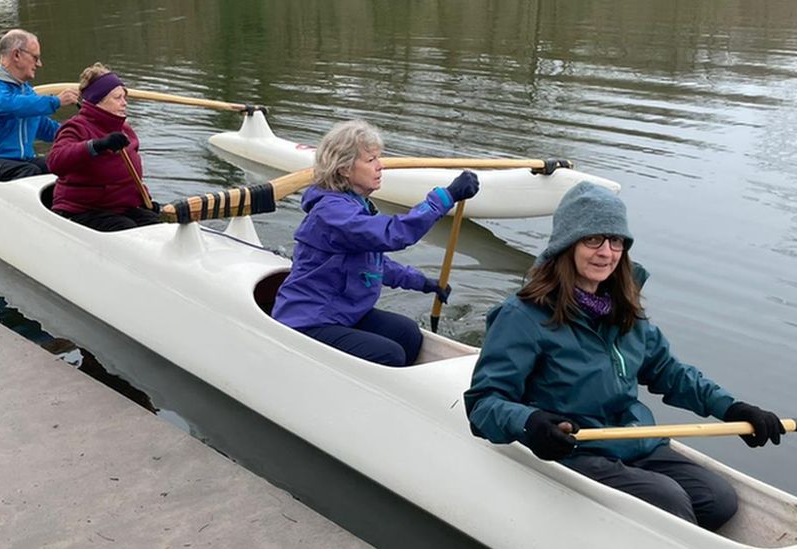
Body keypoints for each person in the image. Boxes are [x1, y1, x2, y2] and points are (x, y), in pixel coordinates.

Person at [464, 181, 786, 530]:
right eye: (593, 239)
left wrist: (733, 408)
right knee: (669, 501)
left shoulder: (625, 311)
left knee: (718, 500)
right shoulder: (523, 316)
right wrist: (530, 422)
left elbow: (670, 372)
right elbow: (483, 403)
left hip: (630, 439)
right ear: (567, 244)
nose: (606, 252)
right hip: (574, 448)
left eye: (616, 241)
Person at [271, 120, 480, 367]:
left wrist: (422, 282)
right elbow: (394, 233)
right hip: (309, 320)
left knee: (408, 333)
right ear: (344, 169)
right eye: (371, 161)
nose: (380, 167)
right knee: (389, 354)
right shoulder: (332, 214)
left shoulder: (354, 205)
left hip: (343, 313)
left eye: (378, 159)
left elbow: (369, 263)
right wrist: (446, 197)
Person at [46, 63, 160, 231]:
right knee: (125, 228)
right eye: (118, 98)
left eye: (125, 97)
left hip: (120, 208)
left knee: (158, 226)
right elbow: (55, 162)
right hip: (83, 210)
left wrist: (145, 199)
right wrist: (97, 146)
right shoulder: (76, 127)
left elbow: (131, 176)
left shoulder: (125, 129)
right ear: (98, 101)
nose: (124, 103)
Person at [0, 29, 79, 181]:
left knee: (65, 165)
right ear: (16, 55)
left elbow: (44, 127)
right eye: (35, 57)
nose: (39, 64)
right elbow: (2, 105)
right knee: (29, 171)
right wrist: (55, 101)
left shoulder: (27, 91)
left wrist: (84, 137)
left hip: (19, 162)